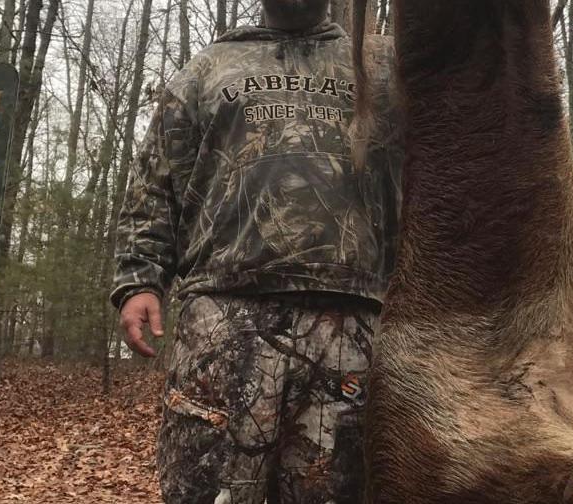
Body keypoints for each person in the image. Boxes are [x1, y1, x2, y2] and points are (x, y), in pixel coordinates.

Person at [110, 0, 400, 502]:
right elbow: (155, 184)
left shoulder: (383, 68)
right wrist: (140, 279)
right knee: (208, 492)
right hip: (224, 318)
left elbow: (444, 176)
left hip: (351, 324)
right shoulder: (207, 68)